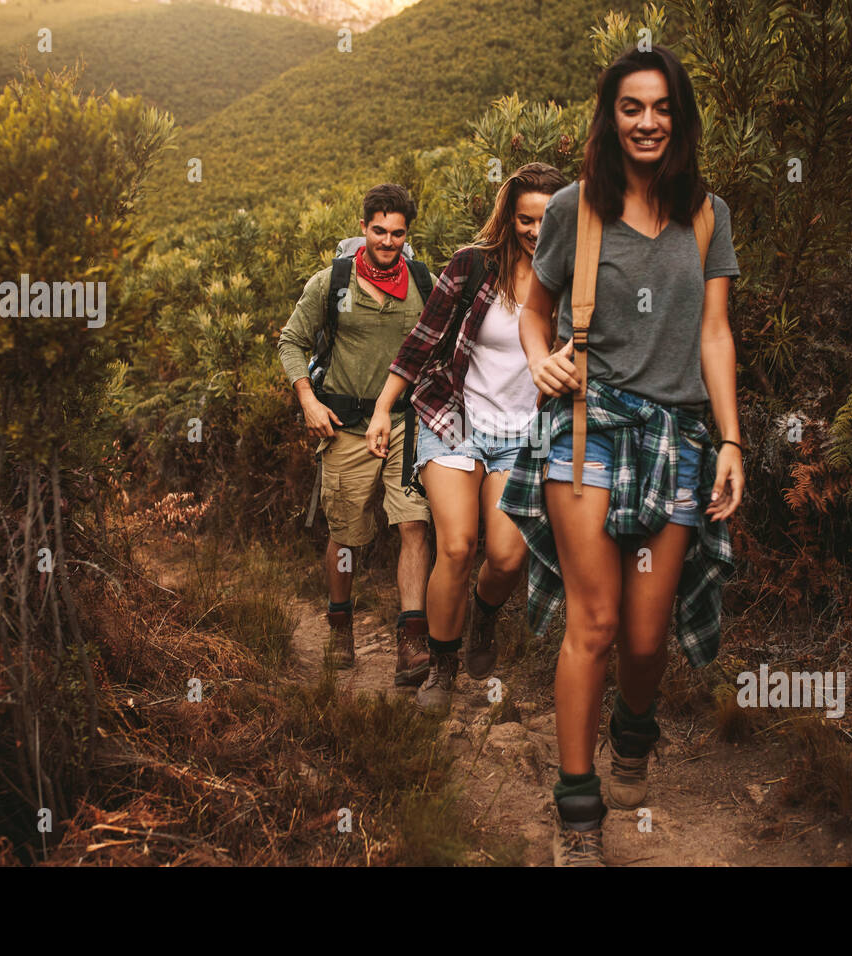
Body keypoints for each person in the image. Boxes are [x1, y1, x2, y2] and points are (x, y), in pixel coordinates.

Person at [498, 46, 745, 866]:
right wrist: (540, 358)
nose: (646, 121)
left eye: (661, 107)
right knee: (595, 625)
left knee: (646, 640)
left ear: (680, 117)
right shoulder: (573, 208)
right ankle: (578, 817)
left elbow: (715, 333)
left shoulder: (707, 213)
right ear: (610, 117)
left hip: (677, 437)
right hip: (587, 429)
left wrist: (733, 440)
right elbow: (535, 312)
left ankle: (633, 734)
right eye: (631, 107)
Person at [367, 163, 570, 715]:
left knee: (505, 558)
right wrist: (385, 409)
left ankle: (484, 612)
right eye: (525, 219)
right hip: (453, 419)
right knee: (456, 545)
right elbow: (420, 343)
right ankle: (442, 664)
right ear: (510, 218)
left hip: (523, 431)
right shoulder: (473, 265)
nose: (535, 230)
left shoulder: (575, 278)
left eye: (547, 219)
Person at [278, 184, 436, 685]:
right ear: (364, 226)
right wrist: (308, 400)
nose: (388, 242)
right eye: (379, 231)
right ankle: (340, 622)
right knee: (346, 535)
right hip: (345, 425)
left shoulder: (424, 285)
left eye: (398, 234)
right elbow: (291, 341)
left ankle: (412, 641)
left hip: (404, 424)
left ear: (407, 234)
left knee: (415, 523)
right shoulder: (332, 282)